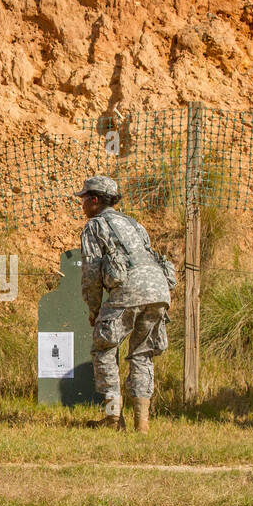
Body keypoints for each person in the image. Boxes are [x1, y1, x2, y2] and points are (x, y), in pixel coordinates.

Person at [78, 175, 173, 432]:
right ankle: (142, 425)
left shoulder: (94, 226)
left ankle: (112, 420)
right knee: (142, 355)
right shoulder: (134, 224)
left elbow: (91, 273)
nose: (82, 204)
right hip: (159, 290)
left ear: (95, 200)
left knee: (104, 349)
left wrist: (95, 310)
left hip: (128, 291)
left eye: (84, 199)